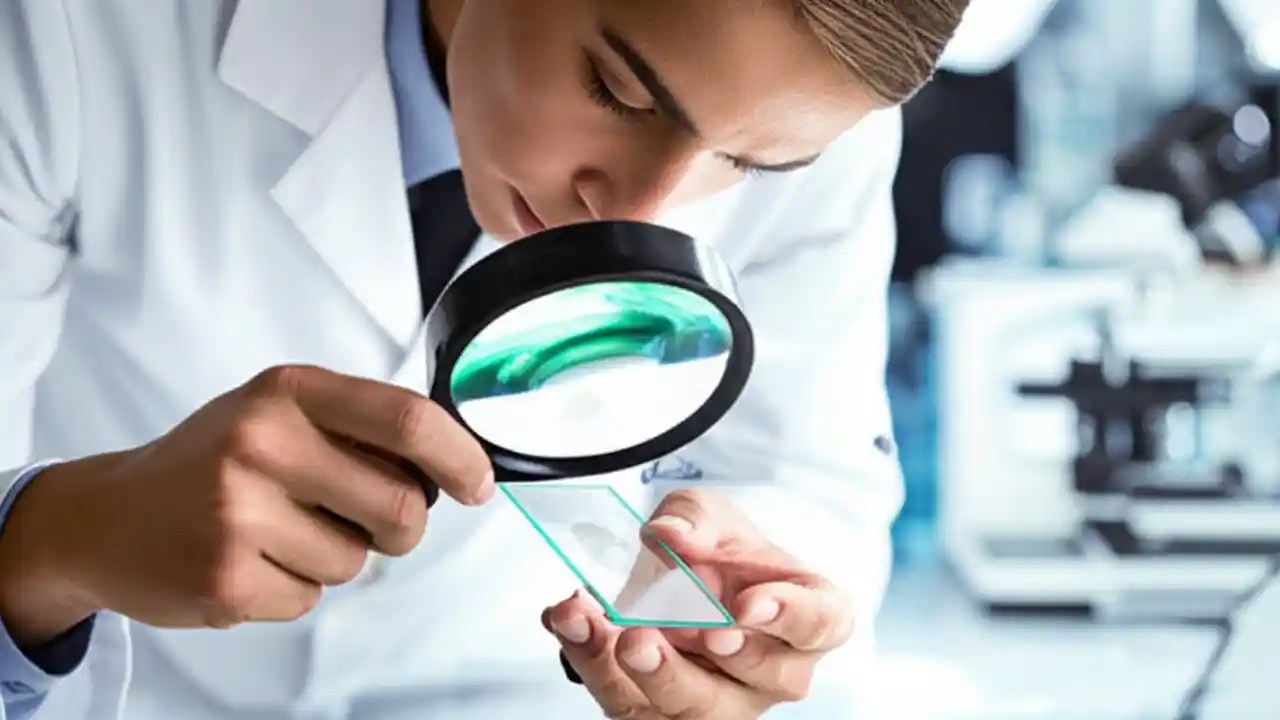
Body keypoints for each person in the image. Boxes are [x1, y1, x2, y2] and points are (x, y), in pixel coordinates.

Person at [0, 0, 968, 717]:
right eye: (619, 89)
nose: (639, 213)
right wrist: (59, 537)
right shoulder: (80, 26)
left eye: (748, 166)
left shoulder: (805, 107)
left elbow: (810, 492)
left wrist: (743, 621)